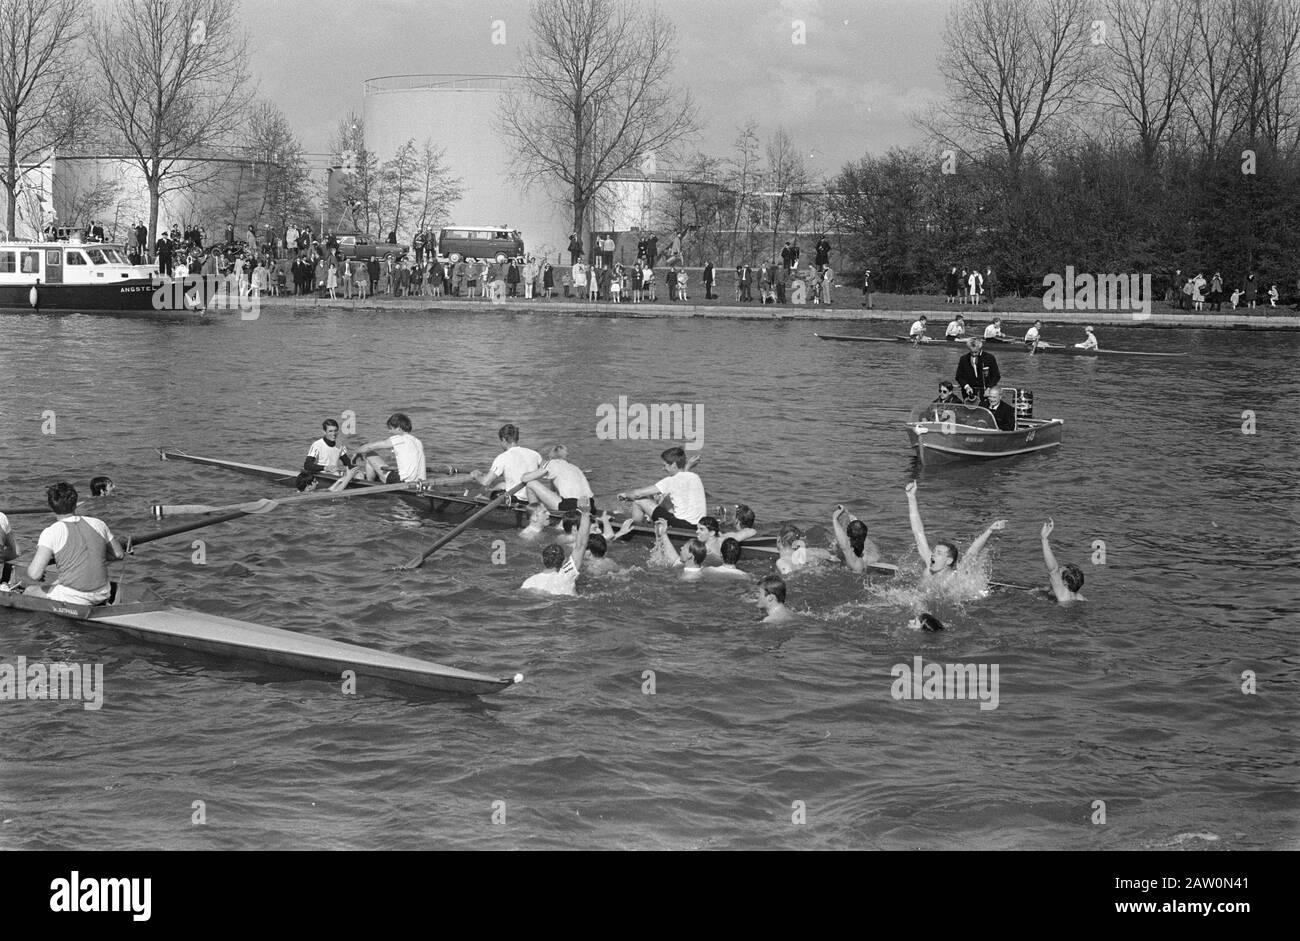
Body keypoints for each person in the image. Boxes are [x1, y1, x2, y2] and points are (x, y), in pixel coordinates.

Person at [23, 482, 126, 604]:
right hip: (103, 593)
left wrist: (39, 573)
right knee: (58, 582)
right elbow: (119, 554)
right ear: (76, 504)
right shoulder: (98, 523)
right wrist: (95, 555)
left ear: (51, 507)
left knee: (29, 591)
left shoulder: (51, 531)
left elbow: (34, 574)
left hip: (75, 598)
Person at [904, 481, 1006, 585]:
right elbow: (918, 532)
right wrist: (911, 497)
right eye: (934, 551)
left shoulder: (956, 578)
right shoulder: (929, 567)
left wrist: (990, 530)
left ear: (948, 561)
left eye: (939, 553)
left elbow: (973, 551)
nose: (933, 555)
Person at [618, 446, 706, 528]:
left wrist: (625, 495)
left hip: (681, 525)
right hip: (698, 526)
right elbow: (681, 478)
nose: (662, 469)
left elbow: (637, 494)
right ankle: (651, 520)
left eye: (664, 466)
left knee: (639, 501)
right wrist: (688, 465)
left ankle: (636, 528)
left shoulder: (670, 481)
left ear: (674, 465)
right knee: (665, 498)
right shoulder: (695, 477)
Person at [337, 413, 427, 487]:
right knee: (370, 457)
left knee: (368, 454)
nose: (389, 432)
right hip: (421, 482)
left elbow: (369, 447)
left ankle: (369, 485)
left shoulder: (399, 438)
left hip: (403, 481)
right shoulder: (418, 441)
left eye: (391, 429)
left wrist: (353, 451)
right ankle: (371, 478)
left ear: (399, 429)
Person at [520, 508, 592, 596]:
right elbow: (580, 545)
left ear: (542, 559)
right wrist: (585, 512)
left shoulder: (529, 582)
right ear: (564, 561)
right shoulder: (566, 575)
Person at [472, 424, 542, 508]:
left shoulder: (503, 457)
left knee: (479, 497)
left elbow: (486, 482)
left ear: (504, 440)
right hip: (532, 500)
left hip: (514, 500)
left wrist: (475, 475)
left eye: (500, 441)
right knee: (502, 485)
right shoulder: (535, 454)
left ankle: (485, 500)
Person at [520, 444, 594, 515]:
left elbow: (524, 479)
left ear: (551, 457)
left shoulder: (552, 463)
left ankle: (535, 516)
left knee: (530, 484)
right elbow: (554, 491)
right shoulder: (574, 467)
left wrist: (535, 470)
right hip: (590, 504)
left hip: (572, 505)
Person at [1040, 519, 1086, 604]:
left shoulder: (1062, 595)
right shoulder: (1081, 598)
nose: (1057, 575)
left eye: (1059, 573)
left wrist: (1044, 539)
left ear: (1065, 583)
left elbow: (1054, 569)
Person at [831, 505, 881, 572]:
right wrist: (849, 515)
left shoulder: (856, 563)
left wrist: (835, 519)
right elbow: (862, 537)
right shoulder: (871, 556)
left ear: (848, 537)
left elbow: (845, 546)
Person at [955, 337, 1001, 404]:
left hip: (986, 393)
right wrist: (966, 386)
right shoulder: (963, 359)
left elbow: (996, 376)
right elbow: (958, 376)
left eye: (976, 352)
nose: (973, 354)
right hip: (969, 395)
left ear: (980, 348)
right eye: (971, 352)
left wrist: (989, 388)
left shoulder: (990, 358)